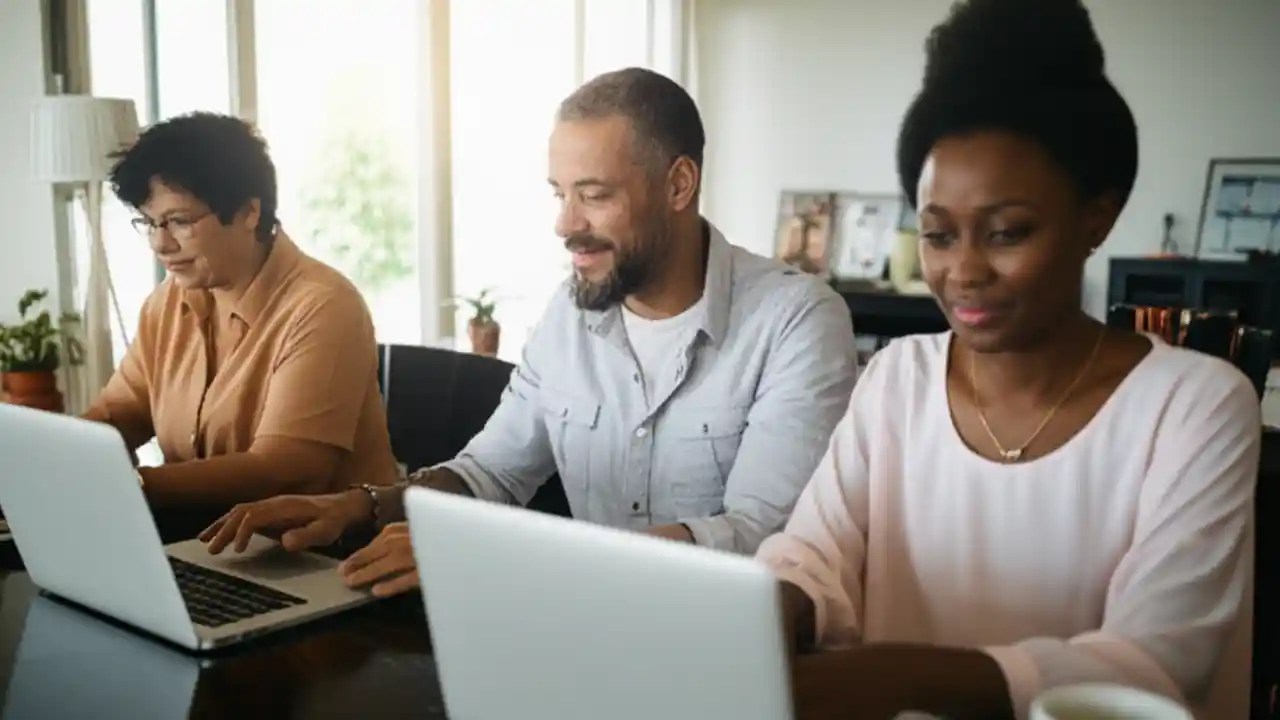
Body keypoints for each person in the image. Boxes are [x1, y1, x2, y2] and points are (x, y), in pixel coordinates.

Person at [758, 1, 1261, 719]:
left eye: (1005, 233)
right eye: (938, 235)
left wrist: (894, 680)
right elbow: (814, 551)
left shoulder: (1195, 405)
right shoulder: (898, 380)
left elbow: (1154, 665)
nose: (964, 271)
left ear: (1098, 215)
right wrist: (777, 603)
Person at [201, 68, 858, 597]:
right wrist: (362, 508)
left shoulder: (797, 320)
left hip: (718, 650)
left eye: (594, 195)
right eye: (558, 193)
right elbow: (489, 473)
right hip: (571, 630)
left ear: (679, 184)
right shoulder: (569, 314)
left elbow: (758, 537)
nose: (565, 224)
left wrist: (494, 560)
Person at [85, 112, 397, 509]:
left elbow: (289, 467)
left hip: (314, 554)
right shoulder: (167, 302)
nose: (159, 244)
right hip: (200, 539)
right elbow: (120, 413)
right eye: (148, 223)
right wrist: (54, 458)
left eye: (179, 221)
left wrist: (133, 485)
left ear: (250, 212)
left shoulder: (322, 306)